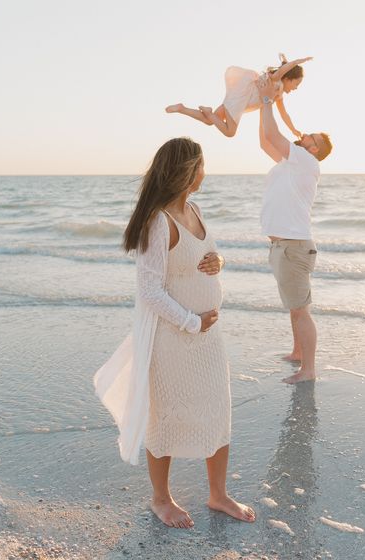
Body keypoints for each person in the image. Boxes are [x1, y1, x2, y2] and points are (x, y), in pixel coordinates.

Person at [93, 137, 255, 528]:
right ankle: (161, 499)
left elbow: (198, 258)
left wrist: (219, 260)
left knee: (218, 411)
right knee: (165, 417)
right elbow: (149, 290)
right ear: (187, 171)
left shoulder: (195, 210)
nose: (205, 172)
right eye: (202, 165)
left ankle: (218, 495)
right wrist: (191, 321)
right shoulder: (158, 221)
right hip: (173, 339)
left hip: (207, 339)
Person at [257, 76, 333, 383]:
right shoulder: (292, 162)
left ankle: (309, 370)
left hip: (293, 246)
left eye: (310, 139)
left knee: (301, 310)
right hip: (284, 246)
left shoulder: (304, 160)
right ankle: (298, 353)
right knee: (295, 306)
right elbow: (266, 140)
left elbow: (274, 134)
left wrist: (265, 100)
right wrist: (265, 106)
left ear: (314, 151)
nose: (304, 138)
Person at [165, 54, 312, 138]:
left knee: (210, 121)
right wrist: (298, 62)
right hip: (240, 99)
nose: (296, 88)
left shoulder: (278, 96)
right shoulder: (275, 81)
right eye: (296, 84)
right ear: (288, 78)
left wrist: (293, 129)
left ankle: (181, 108)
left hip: (237, 100)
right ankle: (208, 112)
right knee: (230, 132)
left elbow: (284, 114)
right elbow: (282, 71)